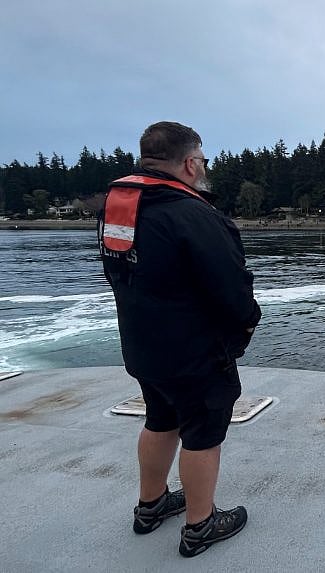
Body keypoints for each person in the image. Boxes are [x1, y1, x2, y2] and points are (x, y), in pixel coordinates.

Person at [98, 121, 261, 557]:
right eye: (203, 161)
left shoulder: (118, 208)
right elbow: (232, 289)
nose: (204, 168)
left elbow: (121, 273)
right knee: (203, 432)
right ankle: (200, 526)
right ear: (190, 163)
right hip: (195, 352)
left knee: (160, 418)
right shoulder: (194, 215)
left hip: (143, 346)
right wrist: (247, 324)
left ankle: (149, 507)